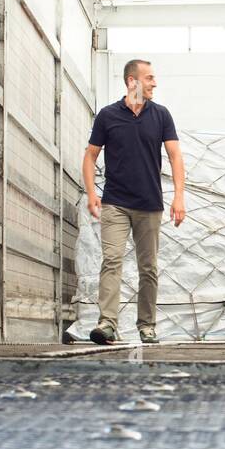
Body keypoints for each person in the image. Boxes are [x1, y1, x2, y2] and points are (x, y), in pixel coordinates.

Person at [82, 59, 185, 345]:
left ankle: (147, 325)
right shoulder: (108, 115)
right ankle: (107, 323)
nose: (154, 83)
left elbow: (175, 156)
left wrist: (179, 195)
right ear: (132, 82)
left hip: (150, 203)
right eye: (149, 78)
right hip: (115, 202)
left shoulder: (161, 115)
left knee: (148, 267)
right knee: (112, 260)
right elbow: (90, 156)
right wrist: (92, 193)